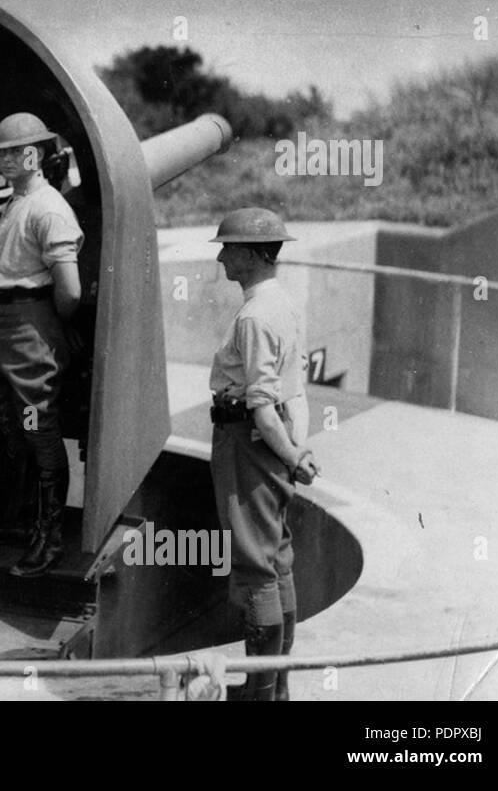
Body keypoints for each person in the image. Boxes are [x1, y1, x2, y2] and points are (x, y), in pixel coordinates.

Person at [208, 207, 319, 701]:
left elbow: (261, 405)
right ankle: (275, 686)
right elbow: (293, 392)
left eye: (229, 247)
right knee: (278, 561)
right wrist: (297, 449)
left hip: (247, 443)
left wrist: (290, 456)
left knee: (254, 567)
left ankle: (258, 691)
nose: (221, 255)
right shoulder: (284, 304)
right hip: (274, 443)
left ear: (253, 255)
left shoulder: (254, 315)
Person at [0, 113, 84, 578]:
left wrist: (46, 328)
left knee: (39, 431)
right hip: (3, 322)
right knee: (13, 425)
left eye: (8, 153)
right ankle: (22, 523)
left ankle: (50, 539)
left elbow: (71, 291)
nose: (1, 160)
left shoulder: (48, 208)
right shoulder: (19, 202)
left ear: (32, 155)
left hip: (28, 324)